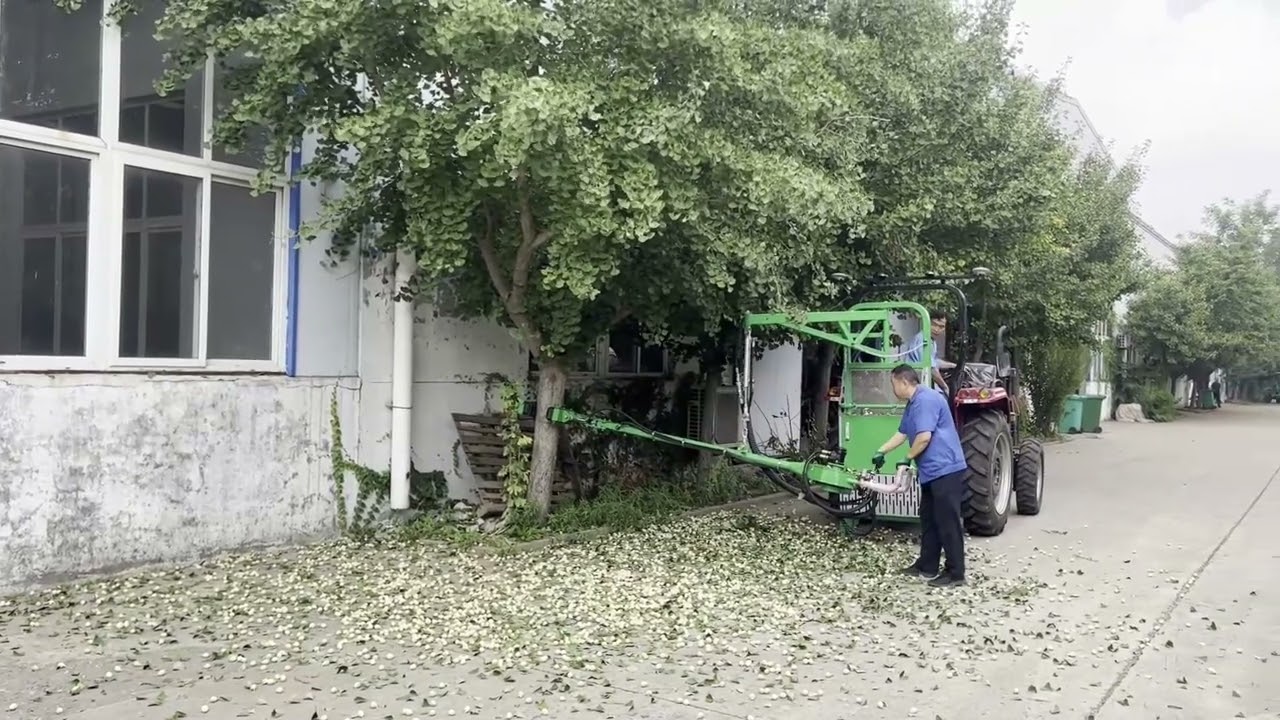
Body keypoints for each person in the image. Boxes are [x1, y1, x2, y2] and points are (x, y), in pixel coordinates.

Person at [871, 364, 969, 588]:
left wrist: (906, 458)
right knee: (929, 519)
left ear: (904, 382)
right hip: (930, 471)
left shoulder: (926, 400)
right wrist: (881, 450)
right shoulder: (912, 404)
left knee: (947, 521)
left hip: (946, 469)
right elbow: (903, 433)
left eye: (893, 383)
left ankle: (956, 574)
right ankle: (927, 565)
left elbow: (924, 437)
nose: (892, 388)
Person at [903, 310, 955, 395]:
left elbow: (934, 361)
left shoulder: (930, 341)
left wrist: (953, 365)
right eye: (934, 325)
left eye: (941, 327)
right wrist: (945, 387)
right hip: (914, 385)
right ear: (927, 323)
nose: (937, 329)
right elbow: (932, 368)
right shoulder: (923, 340)